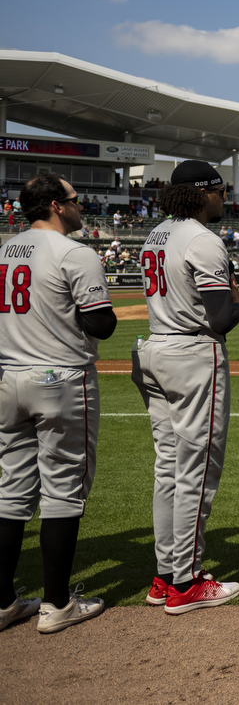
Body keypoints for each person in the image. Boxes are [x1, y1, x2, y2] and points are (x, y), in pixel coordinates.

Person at [0, 174, 116, 634]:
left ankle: (5, 602)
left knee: (11, 491)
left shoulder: (6, 247)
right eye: (74, 199)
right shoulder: (75, 252)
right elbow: (102, 324)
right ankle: (56, 604)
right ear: (55, 205)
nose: (79, 206)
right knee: (63, 491)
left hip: (9, 377)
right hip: (62, 378)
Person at [133, 161, 239, 614]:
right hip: (193, 352)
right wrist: (238, 299)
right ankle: (187, 582)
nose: (224, 198)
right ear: (202, 193)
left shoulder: (156, 233)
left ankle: (164, 576)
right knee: (197, 470)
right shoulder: (202, 239)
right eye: (219, 191)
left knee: (168, 469)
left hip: (155, 348)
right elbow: (222, 316)